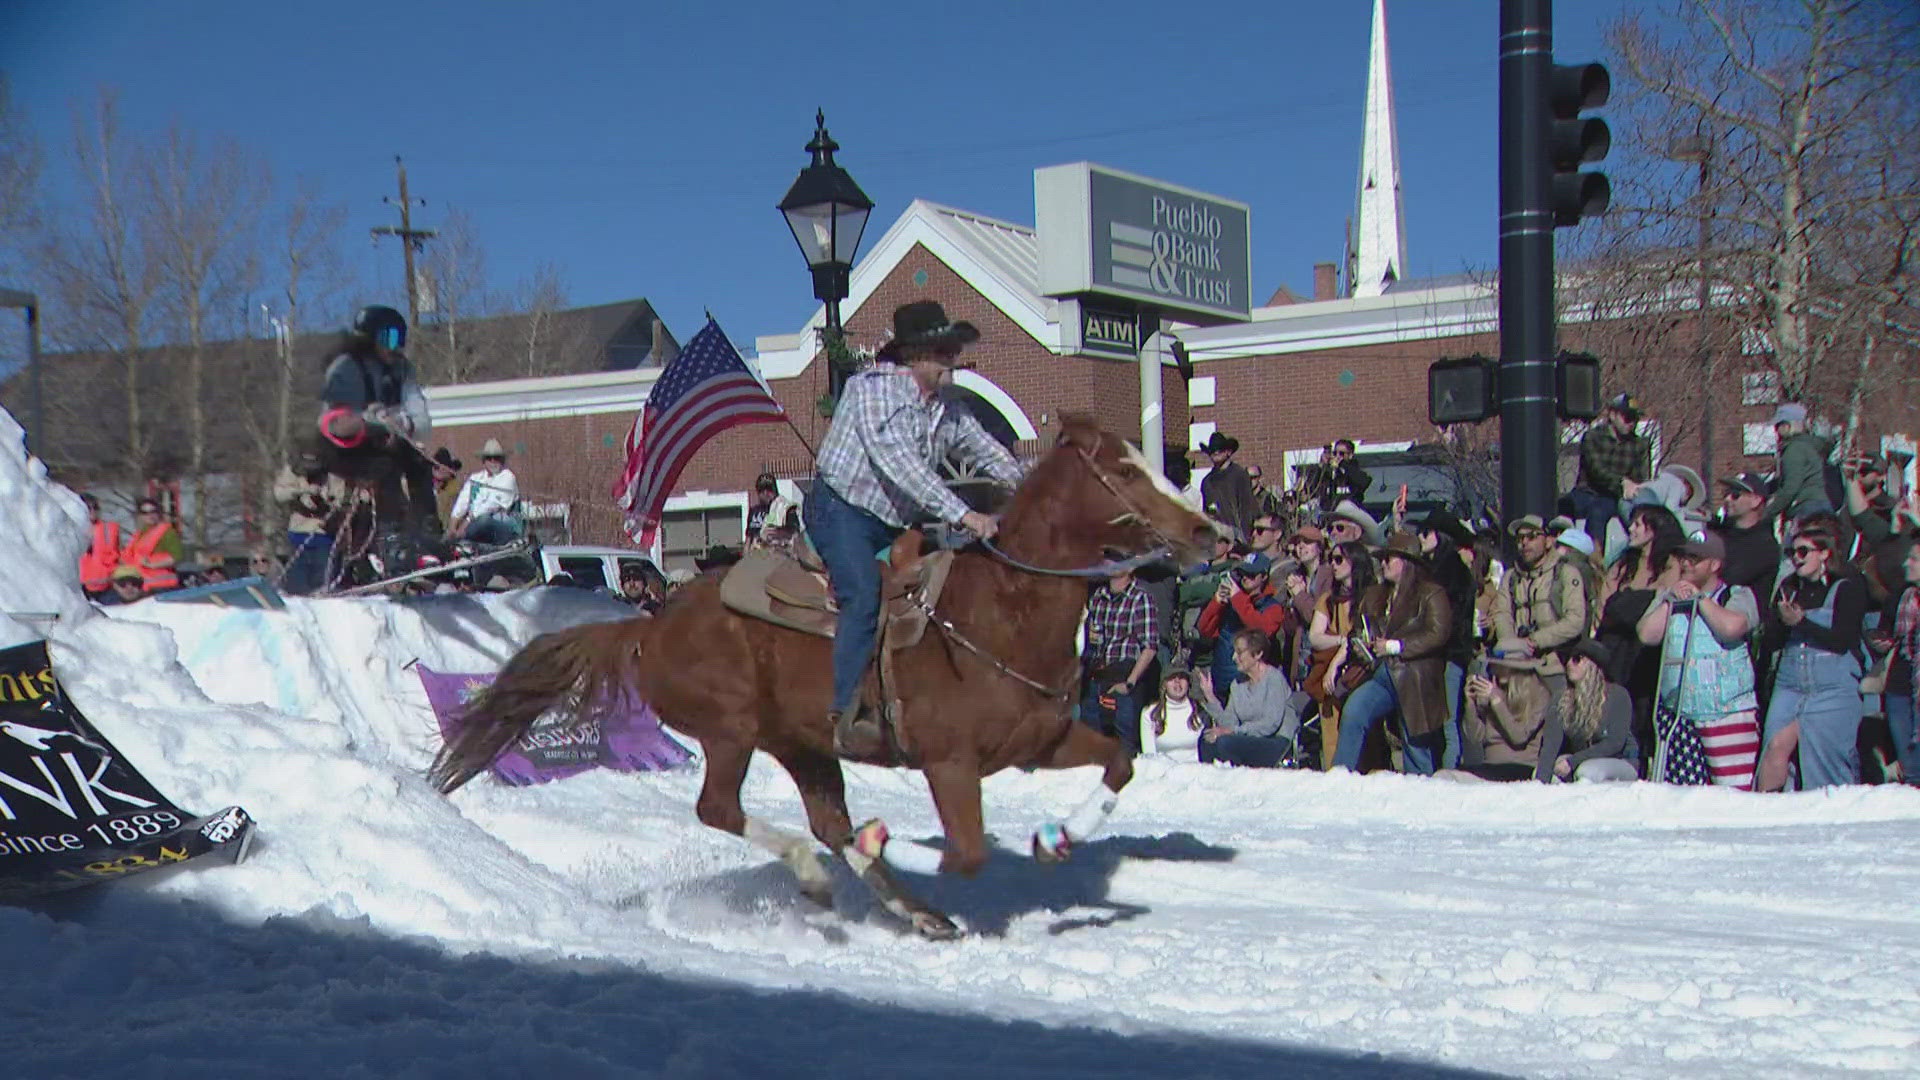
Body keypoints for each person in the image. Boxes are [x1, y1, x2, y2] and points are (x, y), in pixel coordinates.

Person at [805, 300, 1021, 757]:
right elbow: (902, 466)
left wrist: (1034, 491)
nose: (952, 360)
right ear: (915, 356)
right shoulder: (875, 392)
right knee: (863, 594)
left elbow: (988, 451)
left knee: (951, 590)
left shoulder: (946, 410)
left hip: (895, 521)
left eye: (952, 350)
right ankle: (845, 713)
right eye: (944, 351)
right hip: (841, 510)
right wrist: (965, 514)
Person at [1635, 531, 1762, 788]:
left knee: (1733, 795)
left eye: (1695, 558)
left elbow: (1732, 627)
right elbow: (1647, 634)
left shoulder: (1736, 595)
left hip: (1726, 713)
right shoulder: (1669, 597)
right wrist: (1669, 601)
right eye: (1683, 557)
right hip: (1679, 715)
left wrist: (1700, 599)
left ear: (1715, 564)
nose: (1686, 564)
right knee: (1682, 796)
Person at [315, 304, 442, 558]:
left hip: (390, 439)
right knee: (384, 465)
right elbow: (333, 421)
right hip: (349, 447)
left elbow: (421, 417)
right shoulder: (346, 368)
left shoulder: (402, 370)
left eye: (399, 339)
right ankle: (389, 534)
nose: (395, 347)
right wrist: (370, 419)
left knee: (417, 461)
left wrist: (404, 421)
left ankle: (428, 529)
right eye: (389, 338)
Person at [1333, 531, 1454, 775]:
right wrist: (1361, 643)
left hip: (1414, 677)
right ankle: (1339, 777)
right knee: (1354, 712)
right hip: (1381, 673)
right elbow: (1359, 627)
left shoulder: (1431, 593)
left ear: (1406, 562)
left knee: (1414, 743)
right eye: (1383, 558)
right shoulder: (1376, 594)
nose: (1384, 563)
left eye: (1390, 558)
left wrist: (1395, 646)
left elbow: (1438, 633)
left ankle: (1420, 790)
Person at [1756, 526, 1868, 790]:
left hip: (1832, 685)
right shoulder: (1789, 588)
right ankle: (1762, 812)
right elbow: (1772, 641)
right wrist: (1782, 623)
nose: (1797, 558)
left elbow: (1842, 641)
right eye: (1792, 552)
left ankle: (1831, 813)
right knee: (1775, 745)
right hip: (1791, 682)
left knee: (1825, 758)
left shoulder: (1846, 588)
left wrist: (1802, 621)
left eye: (1804, 551)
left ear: (1825, 553)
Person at [1490, 514, 1589, 690]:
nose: (1524, 543)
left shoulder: (1566, 573)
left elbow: (1575, 620)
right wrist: (1512, 645)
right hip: (1517, 667)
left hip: (1555, 667)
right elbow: (1502, 613)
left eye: (1532, 536)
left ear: (1549, 541)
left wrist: (1535, 640)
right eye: (1520, 538)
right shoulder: (1510, 577)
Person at [1306, 539, 1376, 769]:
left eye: (1339, 559)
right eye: (1331, 560)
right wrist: (1342, 640)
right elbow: (1315, 636)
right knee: (1331, 733)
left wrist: (1348, 645)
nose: (1333, 565)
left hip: (1362, 672)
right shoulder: (1328, 599)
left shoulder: (1371, 596)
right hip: (1332, 677)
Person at [1419, 510, 1480, 769]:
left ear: (1438, 536)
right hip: (1437, 656)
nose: (1419, 538)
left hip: (1449, 656)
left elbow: (1450, 619)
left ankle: (1450, 772)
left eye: (1424, 533)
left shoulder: (1451, 572)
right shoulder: (1432, 570)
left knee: (1447, 722)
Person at [1078, 566, 1159, 753]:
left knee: (1125, 747)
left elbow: (1150, 646)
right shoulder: (1098, 596)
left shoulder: (1140, 598)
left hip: (1124, 673)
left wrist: (1130, 682)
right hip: (1096, 674)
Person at [1537, 639, 1641, 782]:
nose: (1568, 664)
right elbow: (1550, 745)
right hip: (1581, 761)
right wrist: (1540, 782)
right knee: (1548, 772)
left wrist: (1572, 761)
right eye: (1567, 659)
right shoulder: (1561, 698)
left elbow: (1614, 743)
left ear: (1593, 665)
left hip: (1620, 761)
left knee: (1587, 771)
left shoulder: (1618, 695)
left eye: (1576, 659)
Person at [1197, 629, 1301, 767]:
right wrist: (1210, 696)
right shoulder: (1237, 684)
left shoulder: (1274, 679)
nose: (1234, 657)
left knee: (1226, 743)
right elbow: (1229, 723)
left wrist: (1235, 731)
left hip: (1276, 742)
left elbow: (1270, 724)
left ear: (1258, 654)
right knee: (1207, 741)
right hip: (1248, 738)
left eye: (1239, 652)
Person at [1195, 552, 1287, 707]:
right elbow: (1205, 629)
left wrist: (1238, 598)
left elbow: (1260, 631)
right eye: (1242, 573)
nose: (1245, 578)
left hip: (1252, 686)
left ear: (1263, 577)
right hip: (1223, 683)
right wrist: (1217, 601)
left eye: (1251, 574)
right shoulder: (1232, 601)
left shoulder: (1273, 607)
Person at [1457, 654, 1554, 781]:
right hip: (1489, 766)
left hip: (1521, 768)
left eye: (1499, 664)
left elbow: (1519, 737)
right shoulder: (1493, 689)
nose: (1494, 668)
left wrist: (1496, 701)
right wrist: (1469, 703)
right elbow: (1475, 737)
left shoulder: (1540, 694)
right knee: (1444, 777)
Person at [1571, 392, 1653, 540]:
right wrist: (1622, 482)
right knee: (1564, 506)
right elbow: (1596, 470)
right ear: (1612, 415)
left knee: (1603, 512)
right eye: (1627, 418)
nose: (1631, 423)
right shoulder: (1593, 437)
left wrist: (1633, 487)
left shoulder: (1639, 444)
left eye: (1635, 419)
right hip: (1587, 491)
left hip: (1614, 497)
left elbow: (1640, 476)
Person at [1874, 541, 1920, 785]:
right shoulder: (1904, 597)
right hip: (1900, 684)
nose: (1906, 563)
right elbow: (1890, 630)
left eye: (1914, 559)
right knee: (1910, 767)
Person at [273, 450, 345, 595]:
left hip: (324, 534)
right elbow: (279, 493)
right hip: (298, 532)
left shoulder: (333, 475)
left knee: (322, 581)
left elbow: (342, 498)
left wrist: (326, 498)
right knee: (297, 582)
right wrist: (302, 491)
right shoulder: (293, 471)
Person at [1713, 471, 1780, 601]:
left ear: (1756, 500)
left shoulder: (1765, 545)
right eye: (1726, 494)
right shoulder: (1720, 534)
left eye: (1735, 495)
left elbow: (1730, 577)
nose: (1727, 499)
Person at [1763, 403, 1833, 525]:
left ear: (1788, 425)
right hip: (1821, 505)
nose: (1776, 430)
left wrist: (1767, 512)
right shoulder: (1810, 446)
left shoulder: (1794, 449)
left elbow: (1791, 487)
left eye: (1779, 425)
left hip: (1805, 509)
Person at [449, 439, 523, 546]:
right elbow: (462, 502)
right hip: (475, 525)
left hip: (504, 526)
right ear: (483, 461)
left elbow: (491, 506)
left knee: (484, 521)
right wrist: (453, 525)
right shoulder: (475, 478)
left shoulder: (507, 477)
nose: (493, 461)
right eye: (489, 458)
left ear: (502, 460)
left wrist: (466, 523)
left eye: (496, 458)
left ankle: (462, 539)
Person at [1140, 666, 1214, 761]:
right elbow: (1149, 755)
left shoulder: (1200, 710)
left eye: (1182, 677)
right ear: (1164, 684)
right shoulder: (1150, 713)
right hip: (1163, 770)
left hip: (1197, 769)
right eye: (1172, 678)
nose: (1177, 682)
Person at [1198, 432, 1257, 544]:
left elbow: (1247, 507)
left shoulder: (1239, 474)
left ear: (1228, 452)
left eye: (1220, 449)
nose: (1215, 453)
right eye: (1212, 451)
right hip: (1217, 537)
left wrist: (1245, 536)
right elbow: (1206, 511)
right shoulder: (1207, 482)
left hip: (1238, 534)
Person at [120, 496, 183, 593]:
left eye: (153, 511)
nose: (150, 515)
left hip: (162, 586)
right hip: (142, 586)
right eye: (145, 513)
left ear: (159, 513)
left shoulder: (168, 532)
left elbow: (176, 557)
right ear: (140, 516)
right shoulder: (139, 534)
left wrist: (152, 565)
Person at [77, 493, 122, 600]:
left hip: (107, 587)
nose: (92, 511)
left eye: (95, 507)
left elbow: (118, 556)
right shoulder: (71, 530)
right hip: (79, 589)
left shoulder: (109, 529)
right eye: (88, 507)